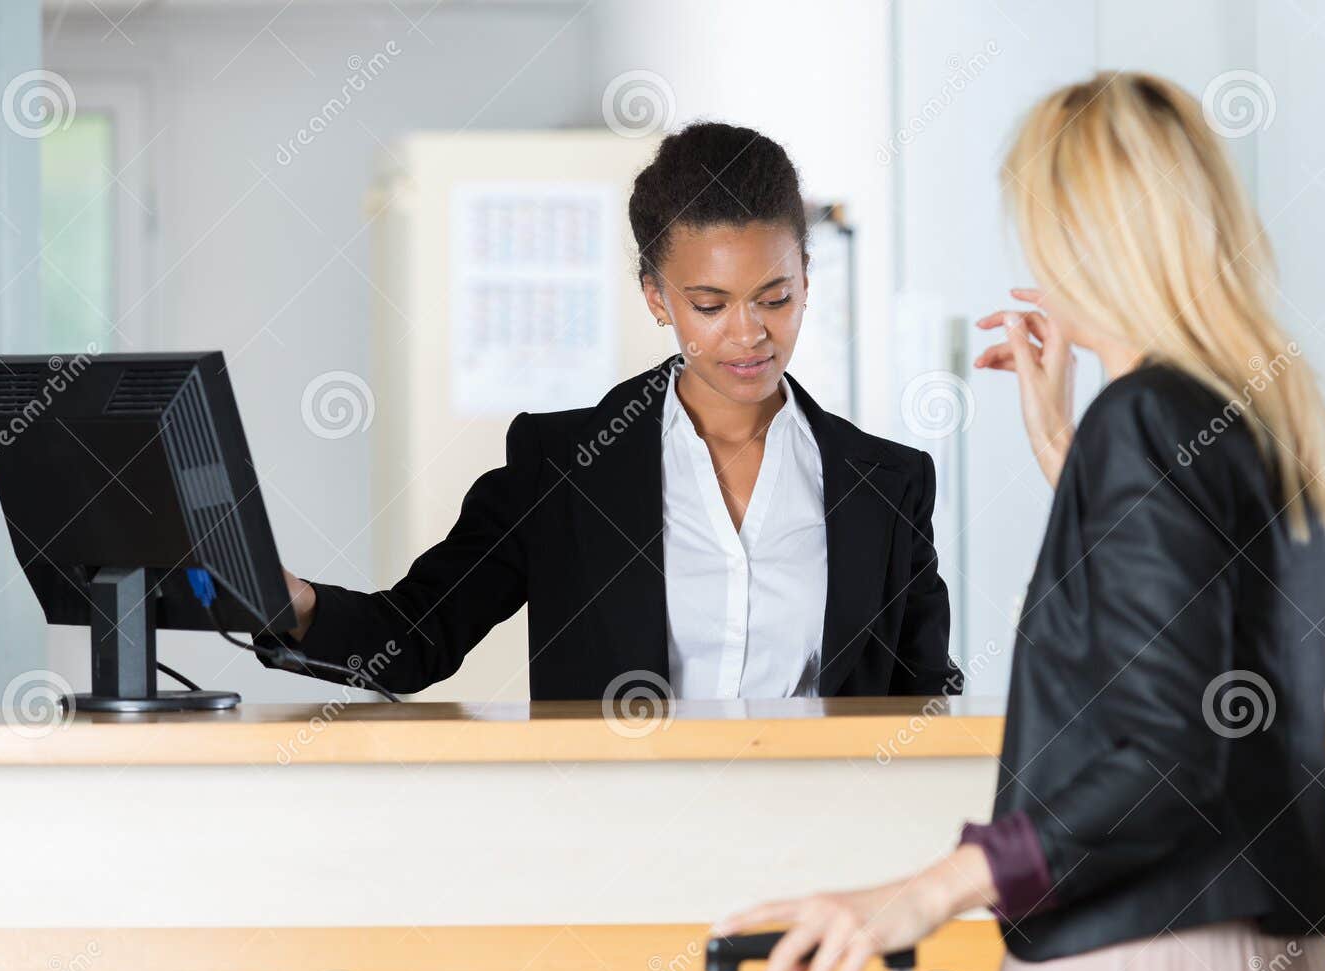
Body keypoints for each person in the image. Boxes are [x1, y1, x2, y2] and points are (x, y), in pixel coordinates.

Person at [714, 71, 1325, 971]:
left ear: (1086, 231)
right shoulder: (1254, 420)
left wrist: (926, 891)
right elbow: (1189, 633)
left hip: (1135, 961)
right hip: (1249, 961)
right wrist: (1067, 445)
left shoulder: (1145, 421)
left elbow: (1165, 755)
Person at [264, 122, 958, 702]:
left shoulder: (890, 483)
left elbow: (924, 701)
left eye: (775, 297)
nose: (748, 334)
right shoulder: (560, 466)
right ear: (657, 297)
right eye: (710, 306)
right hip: (618, 840)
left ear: (807, 276)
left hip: (827, 841)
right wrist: (288, 603)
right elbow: (417, 636)